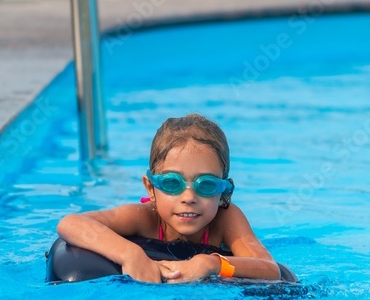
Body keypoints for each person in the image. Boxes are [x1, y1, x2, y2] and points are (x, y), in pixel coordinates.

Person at [56, 114, 282, 284]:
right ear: (151, 188)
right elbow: (71, 223)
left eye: (207, 185)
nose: (189, 197)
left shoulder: (226, 219)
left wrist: (210, 263)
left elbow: (270, 269)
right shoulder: (143, 218)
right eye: (172, 183)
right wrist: (130, 254)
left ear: (223, 193)